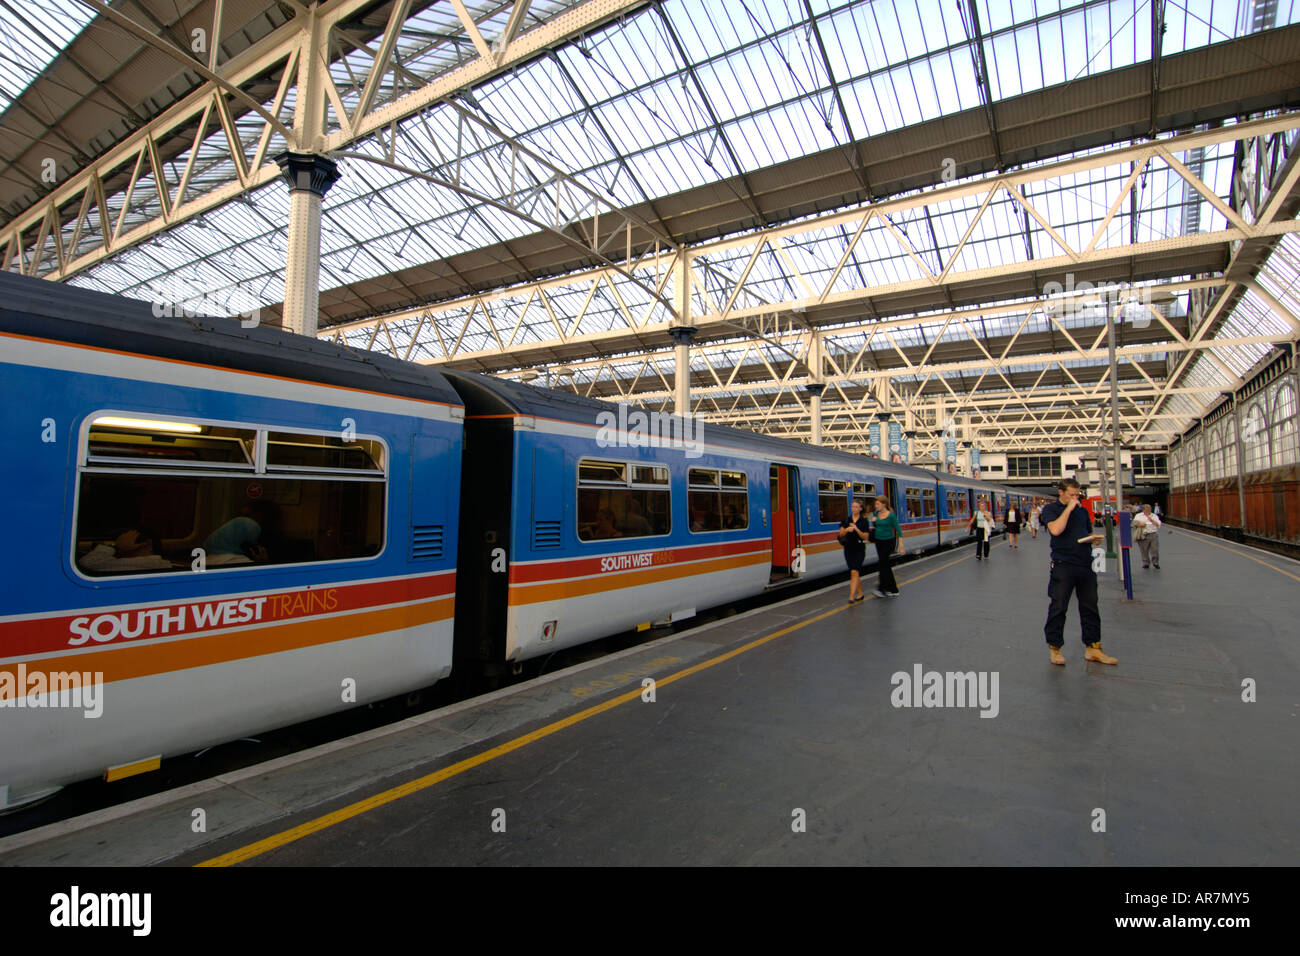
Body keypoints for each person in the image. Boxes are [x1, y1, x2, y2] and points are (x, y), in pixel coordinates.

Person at [1040, 478, 1116, 666]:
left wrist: (1094, 540)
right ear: (1061, 492)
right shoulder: (1051, 510)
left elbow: (1086, 533)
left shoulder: (1082, 511)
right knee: (1059, 606)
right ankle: (1055, 647)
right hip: (1063, 565)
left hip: (1085, 564)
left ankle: (1093, 647)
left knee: (1090, 607)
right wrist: (1069, 509)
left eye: (1077, 495)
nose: (1075, 498)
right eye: (1071, 494)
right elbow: (1056, 530)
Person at [80, 528, 173, 573]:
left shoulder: (146, 564)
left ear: (147, 543)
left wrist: (115, 546)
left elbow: (88, 563)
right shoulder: (162, 564)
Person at [838, 499, 871, 603]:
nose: (854, 509)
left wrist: (856, 529)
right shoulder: (846, 520)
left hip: (859, 549)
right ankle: (860, 594)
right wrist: (847, 530)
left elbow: (865, 536)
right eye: (853, 507)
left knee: (854, 571)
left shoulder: (864, 521)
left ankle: (851, 596)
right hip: (848, 548)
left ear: (861, 509)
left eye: (856, 507)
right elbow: (840, 535)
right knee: (855, 573)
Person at [869, 495, 903, 597]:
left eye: (878, 504)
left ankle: (881, 589)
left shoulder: (891, 516)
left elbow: (899, 531)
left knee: (882, 564)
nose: (876, 506)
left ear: (884, 504)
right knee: (886, 566)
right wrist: (873, 522)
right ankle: (893, 589)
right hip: (879, 542)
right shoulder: (875, 514)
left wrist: (901, 546)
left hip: (888, 542)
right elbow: (873, 526)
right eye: (875, 504)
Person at [1133, 504, 1161, 569]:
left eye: (1150, 509)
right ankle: (1146, 563)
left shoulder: (1154, 516)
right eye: (1147, 510)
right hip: (1143, 534)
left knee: (1155, 549)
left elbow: (1158, 524)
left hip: (1153, 534)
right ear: (1143, 510)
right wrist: (1140, 525)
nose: (1149, 511)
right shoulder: (1138, 516)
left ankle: (1155, 563)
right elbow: (1134, 524)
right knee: (1144, 550)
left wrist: (1152, 520)